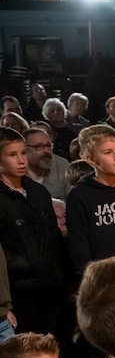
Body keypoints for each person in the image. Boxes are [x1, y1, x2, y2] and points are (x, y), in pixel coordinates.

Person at [0, 129, 64, 334]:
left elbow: (54, 237)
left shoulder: (38, 192)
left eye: (23, 153)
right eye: (12, 155)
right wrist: (27, 266)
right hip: (20, 291)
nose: (21, 160)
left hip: (51, 285)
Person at [66, 125, 115, 278]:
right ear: (91, 159)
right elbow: (78, 246)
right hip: (104, 276)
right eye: (108, 152)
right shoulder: (80, 196)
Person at [24, 125, 69, 200]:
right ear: (24, 149)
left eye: (48, 146)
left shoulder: (62, 165)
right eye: (38, 147)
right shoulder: (16, 172)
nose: (46, 151)